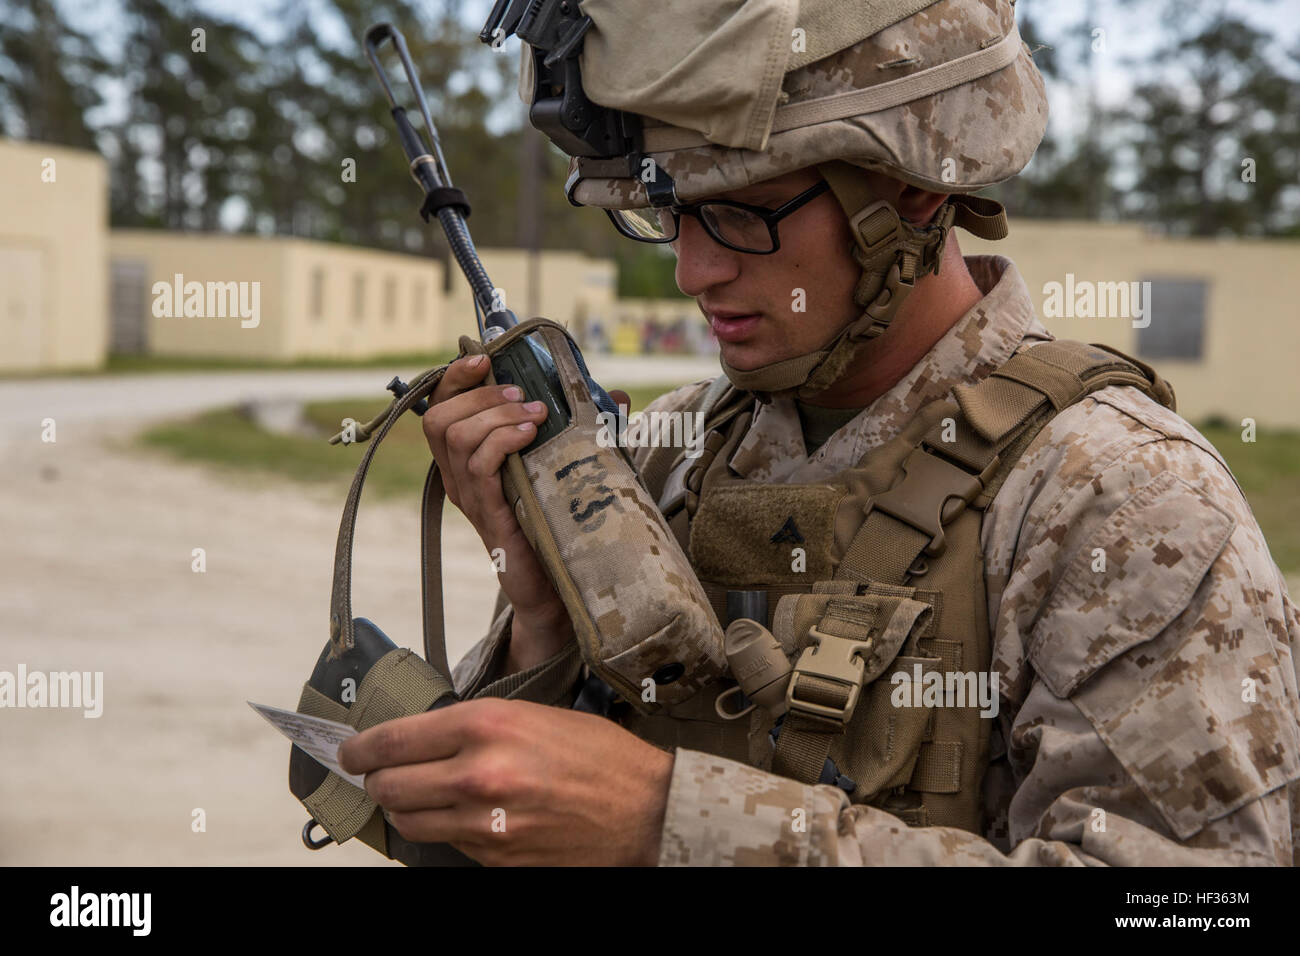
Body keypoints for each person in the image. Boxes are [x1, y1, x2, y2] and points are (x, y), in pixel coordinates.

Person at [338, 0, 1300, 866]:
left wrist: (665, 822)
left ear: (913, 189)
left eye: (743, 213)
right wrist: (541, 616)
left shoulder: (1121, 495)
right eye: (672, 212)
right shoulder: (666, 452)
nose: (694, 271)